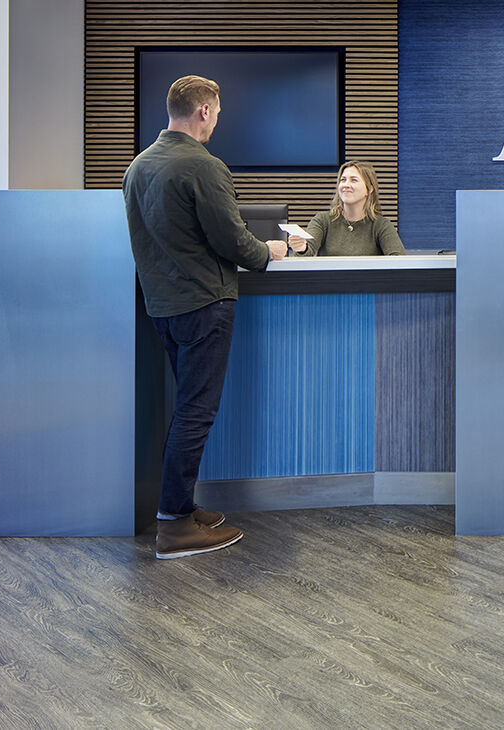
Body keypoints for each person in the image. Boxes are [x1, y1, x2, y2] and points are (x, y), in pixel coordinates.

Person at [123, 75, 289, 559]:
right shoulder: (204, 165)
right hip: (204, 304)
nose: (217, 120)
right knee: (195, 414)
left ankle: (179, 508)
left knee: (186, 411)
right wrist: (269, 252)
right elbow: (232, 240)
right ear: (203, 111)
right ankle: (175, 528)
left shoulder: (138, 166)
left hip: (163, 307)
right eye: (216, 112)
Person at [289, 160, 405, 257]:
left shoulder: (381, 225)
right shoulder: (322, 220)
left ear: (369, 189)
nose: (346, 185)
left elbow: (399, 261)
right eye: (343, 180)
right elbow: (307, 252)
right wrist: (301, 248)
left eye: (354, 180)